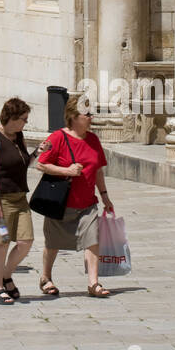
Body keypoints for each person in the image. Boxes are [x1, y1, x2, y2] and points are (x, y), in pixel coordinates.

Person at [36, 95, 116, 298]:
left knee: (92, 240)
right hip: (61, 203)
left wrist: (104, 196)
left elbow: (97, 170)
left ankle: (93, 283)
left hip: (87, 203)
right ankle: (45, 277)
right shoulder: (57, 138)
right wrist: (67, 171)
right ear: (73, 116)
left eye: (91, 113)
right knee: (53, 243)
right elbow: (41, 164)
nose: (91, 117)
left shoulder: (93, 140)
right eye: (86, 114)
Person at [0, 97, 36, 305]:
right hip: (0, 200)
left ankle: (6, 275)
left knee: (25, 241)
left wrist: (37, 154)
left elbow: (22, 163)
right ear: (12, 118)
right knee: (1, 243)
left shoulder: (18, 135)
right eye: (24, 119)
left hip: (19, 198)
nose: (25, 123)